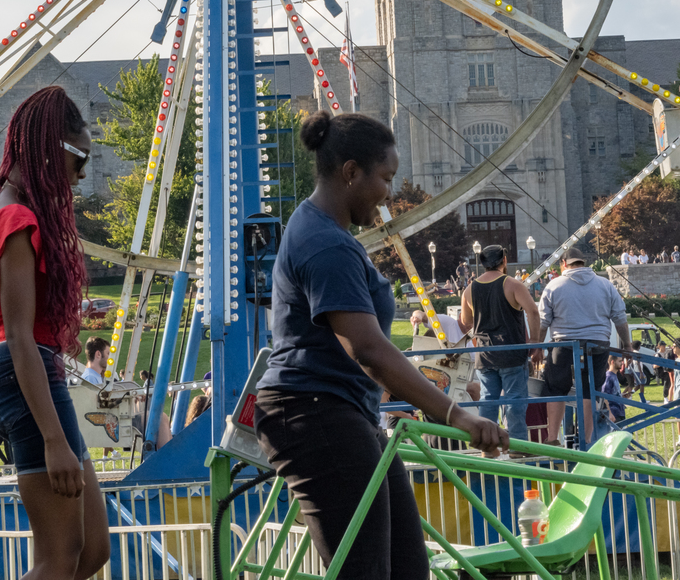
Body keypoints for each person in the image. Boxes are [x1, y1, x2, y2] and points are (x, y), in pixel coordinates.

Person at [255, 111, 502, 579]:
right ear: (351, 172)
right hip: (314, 412)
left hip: (339, 412)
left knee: (408, 567)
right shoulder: (326, 245)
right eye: (385, 178)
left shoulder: (324, 234)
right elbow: (367, 349)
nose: (389, 192)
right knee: (366, 571)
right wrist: (454, 414)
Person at [0, 85, 110, 580]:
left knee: (92, 550)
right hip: (28, 374)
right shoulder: (18, 221)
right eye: (79, 160)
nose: (80, 177)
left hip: (21, 371)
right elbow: (18, 337)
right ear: (51, 147)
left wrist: (23, 333)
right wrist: (53, 439)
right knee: (59, 556)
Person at [539, 254, 630, 446]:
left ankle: (553, 438)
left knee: (556, 388)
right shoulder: (604, 285)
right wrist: (627, 345)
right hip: (597, 343)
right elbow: (620, 319)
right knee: (591, 390)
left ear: (564, 263)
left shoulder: (554, 286)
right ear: (583, 263)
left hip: (563, 343)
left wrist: (538, 347)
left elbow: (543, 322)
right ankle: (586, 439)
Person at [459, 245, 541, 450]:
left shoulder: (469, 290)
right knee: (514, 402)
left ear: (482, 263)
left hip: (484, 355)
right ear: (504, 260)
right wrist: (535, 342)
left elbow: (466, 322)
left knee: (488, 401)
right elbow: (533, 311)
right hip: (511, 353)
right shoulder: (512, 285)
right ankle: (518, 448)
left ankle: (488, 448)